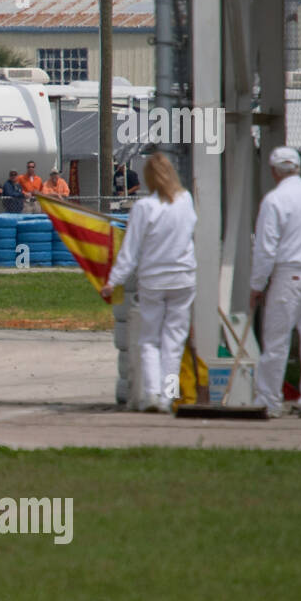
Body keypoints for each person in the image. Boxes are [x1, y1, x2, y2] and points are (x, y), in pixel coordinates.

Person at [99, 153, 197, 414]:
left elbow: (130, 252)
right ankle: (168, 396)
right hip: (184, 277)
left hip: (154, 278)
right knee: (174, 342)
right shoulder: (185, 200)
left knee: (150, 340)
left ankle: (152, 394)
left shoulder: (144, 207)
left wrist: (113, 281)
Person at [250, 146, 301, 419]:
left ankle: (270, 400)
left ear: (274, 171)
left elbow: (265, 247)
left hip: (291, 273)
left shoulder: (275, 200)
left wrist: (257, 285)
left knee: (276, 340)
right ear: (298, 166)